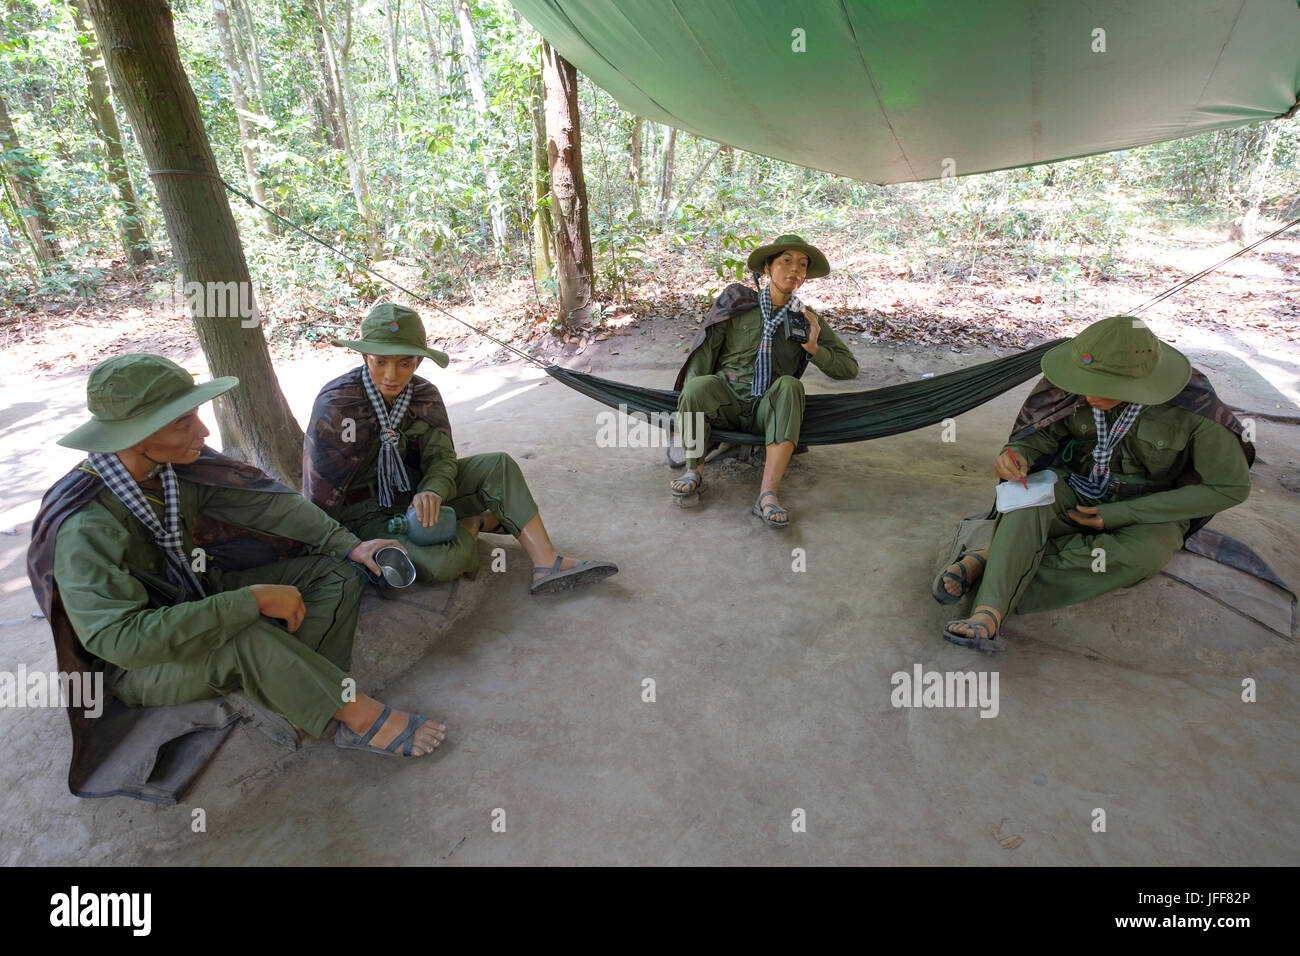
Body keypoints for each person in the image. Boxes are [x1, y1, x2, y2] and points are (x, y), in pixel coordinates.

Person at [30, 354, 448, 775]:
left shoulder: (173, 471)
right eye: (184, 422)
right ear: (138, 435)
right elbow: (120, 642)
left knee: (335, 573)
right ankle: (357, 720)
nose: (204, 430)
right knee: (242, 633)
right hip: (142, 665)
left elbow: (270, 507)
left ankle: (298, 692)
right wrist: (248, 601)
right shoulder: (86, 526)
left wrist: (348, 544)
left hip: (198, 592)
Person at [934, 315, 1253, 651]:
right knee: (1024, 504)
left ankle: (990, 560)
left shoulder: (1194, 409)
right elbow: (1039, 435)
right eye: (1084, 383)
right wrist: (1016, 454)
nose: (1084, 396)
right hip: (1076, 485)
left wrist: (1121, 514)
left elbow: (1230, 487)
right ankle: (987, 614)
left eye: (1099, 387)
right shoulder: (1071, 383)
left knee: (1141, 557)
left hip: (1150, 508)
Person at [304, 303, 618, 594]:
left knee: (498, 465)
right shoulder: (338, 404)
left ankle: (547, 564)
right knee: (444, 563)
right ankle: (475, 522)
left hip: (415, 493)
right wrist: (341, 545)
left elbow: (442, 458)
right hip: (365, 513)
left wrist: (433, 491)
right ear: (364, 357)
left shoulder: (423, 395)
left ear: (418, 360)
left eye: (405, 362)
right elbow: (321, 493)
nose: (392, 375)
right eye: (380, 362)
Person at [669, 233, 858, 527]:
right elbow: (703, 355)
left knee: (790, 386)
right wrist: (683, 410)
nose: (795, 269)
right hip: (726, 401)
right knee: (696, 387)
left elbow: (848, 368)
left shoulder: (805, 318)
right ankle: (694, 470)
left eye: (802, 264)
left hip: (767, 410)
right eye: (786, 261)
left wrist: (813, 348)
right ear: (767, 268)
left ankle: (767, 495)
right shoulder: (737, 305)